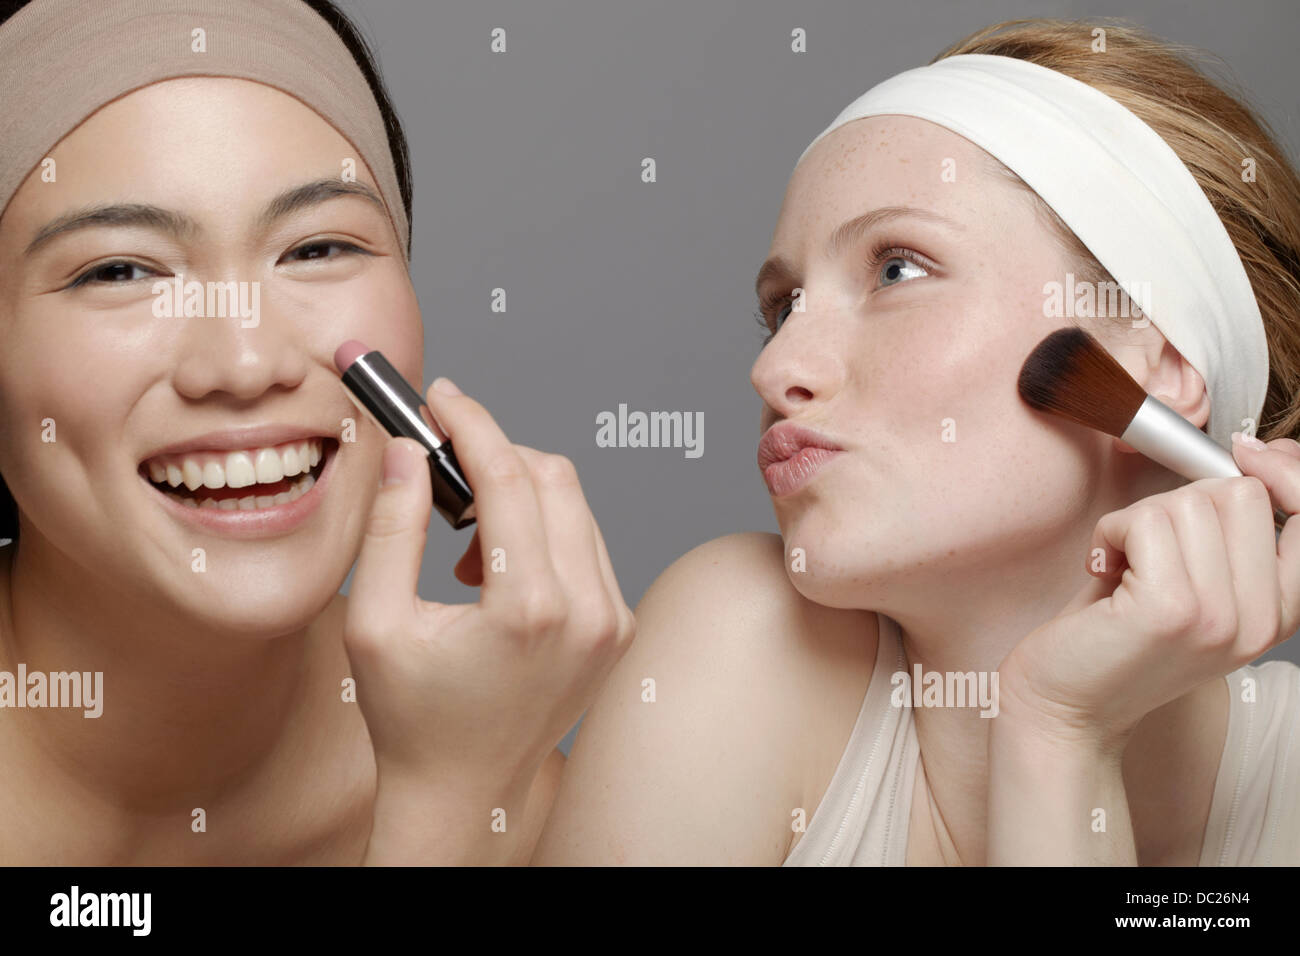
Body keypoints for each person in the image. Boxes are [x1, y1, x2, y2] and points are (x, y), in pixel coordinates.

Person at [534, 18, 1300, 866]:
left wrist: (1058, 736)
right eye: (782, 309)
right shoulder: (743, 642)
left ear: (1157, 364)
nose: (775, 368)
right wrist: (1059, 733)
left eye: (897, 269)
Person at [0, 0, 633, 865]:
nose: (246, 361)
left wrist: (450, 802)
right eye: (119, 270)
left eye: (316, 250)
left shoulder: (524, 814)